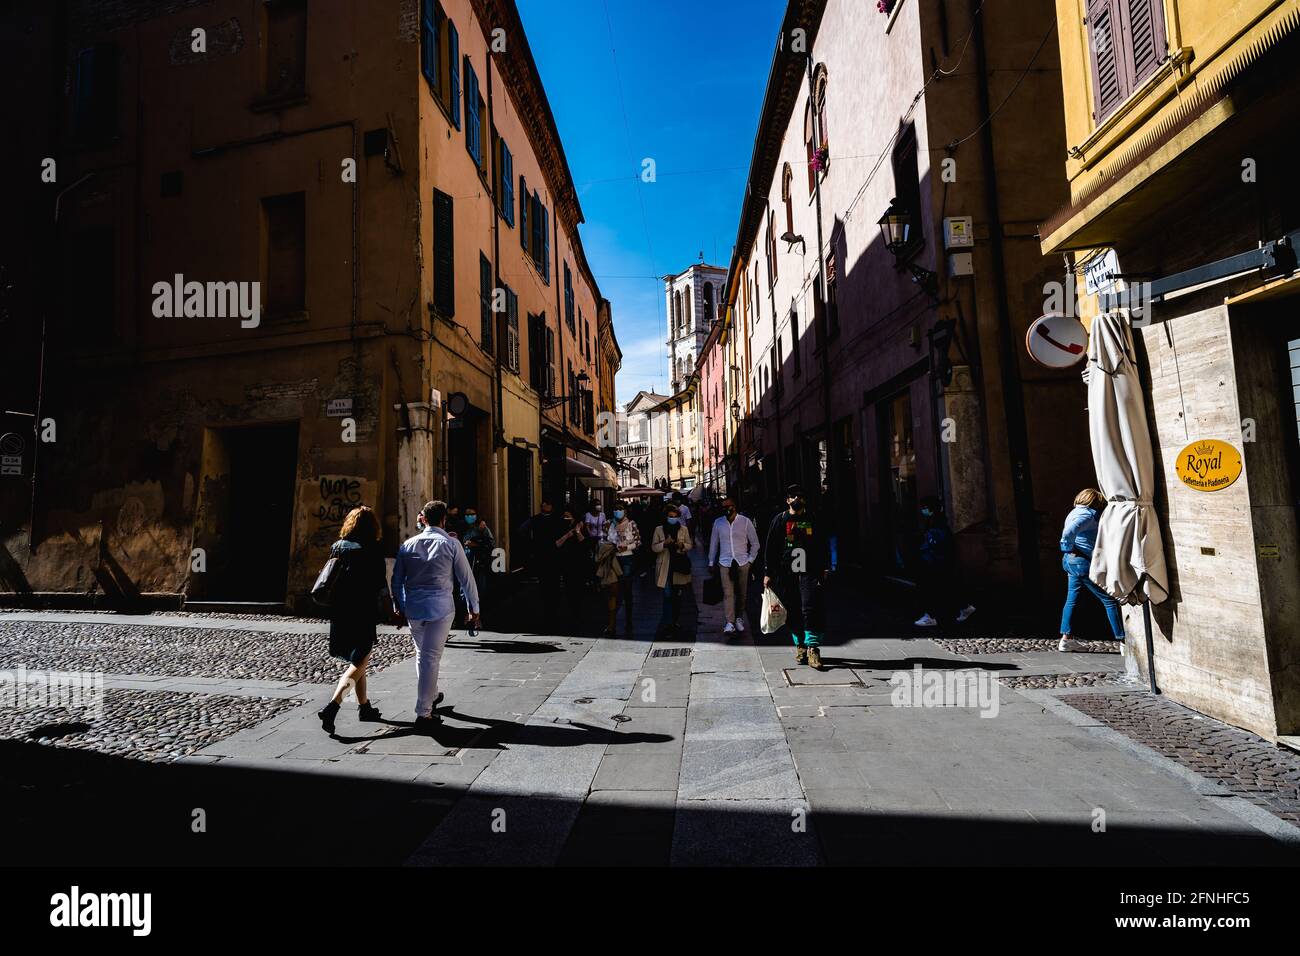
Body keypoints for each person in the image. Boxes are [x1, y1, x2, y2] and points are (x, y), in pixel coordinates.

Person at [391, 500, 480, 733]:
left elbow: (397, 579)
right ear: (443, 520)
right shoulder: (451, 544)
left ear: (424, 519)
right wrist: (474, 608)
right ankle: (424, 712)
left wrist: (398, 606)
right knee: (429, 657)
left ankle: (432, 695)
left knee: (424, 655)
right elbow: (466, 578)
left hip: (414, 607)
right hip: (440, 607)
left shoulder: (408, 545)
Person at [318, 506, 391, 734]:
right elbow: (380, 583)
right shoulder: (373, 548)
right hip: (363, 611)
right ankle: (333, 705)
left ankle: (364, 707)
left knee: (360, 660)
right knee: (359, 662)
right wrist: (391, 608)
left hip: (340, 611)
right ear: (372, 526)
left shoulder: (337, 547)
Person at [764, 484, 834, 670]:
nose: (797, 499)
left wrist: (825, 567)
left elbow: (822, 543)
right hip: (786, 573)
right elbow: (771, 548)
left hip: (810, 571)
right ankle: (800, 646)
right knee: (792, 609)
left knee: (811, 607)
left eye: (800, 496)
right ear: (787, 500)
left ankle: (813, 648)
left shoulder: (813, 518)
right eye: (793, 496)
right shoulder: (779, 521)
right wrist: (768, 573)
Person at [1058, 488, 1125, 650]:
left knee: (1072, 598)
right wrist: (1066, 547)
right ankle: (1123, 641)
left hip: (1071, 562)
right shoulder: (1087, 515)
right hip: (1081, 562)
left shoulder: (1074, 512)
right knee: (1109, 600)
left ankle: (1066, 638)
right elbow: (1068, 532)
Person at [913, 496, 977, 627]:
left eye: (924, 508)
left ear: (931, 509)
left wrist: (927, 558)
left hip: (936, 562)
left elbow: (935, 544)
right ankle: (964, 607)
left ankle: (930, 616)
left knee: (932, 589)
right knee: (946, 587)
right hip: (940, 562)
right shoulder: (937, 522)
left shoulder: (937, 524)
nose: (922, 510)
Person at [708, 495, 760, 634]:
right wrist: (711, 561)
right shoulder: (718, 523)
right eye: (724, 507)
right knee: (728, 593)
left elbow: (755, 543)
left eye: (729, 506)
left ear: (734, 506)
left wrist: (750, 561)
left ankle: (739, 618)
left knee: (742, 593)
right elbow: (714, 544)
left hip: (742, 562)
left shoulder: (745, 522)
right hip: (725, 563)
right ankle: (729, 622)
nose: (726, 509)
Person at [518, 500, 563, 630]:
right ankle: (551, 612)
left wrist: (531, 543)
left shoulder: (536, 519)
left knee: (548, 585)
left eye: (547, 504)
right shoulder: (555, 519)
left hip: (545, 555)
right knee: (550, 585)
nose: (546, 506)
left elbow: (521, 531)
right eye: (545, 504)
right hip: (548, 555)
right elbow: (521, 530)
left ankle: (550, 612)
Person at [652, 503, 694, 637]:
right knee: (667, 596)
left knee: (677, 597)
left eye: (675, 516)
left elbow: (689, 545)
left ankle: (675, 621)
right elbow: (653, 547)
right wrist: (664, 543)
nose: (673, 518)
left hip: (678, 566)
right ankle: (668, 623)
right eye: (671, 516)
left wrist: (682, 545)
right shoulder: (659, 530)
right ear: (666, 517)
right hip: (665, 566)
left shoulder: (683, 529)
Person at [604, 503, 642, 635]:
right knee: (612, 591)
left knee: (627, 590)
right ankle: (611, 623)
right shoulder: (608, 523)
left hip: (627, 558)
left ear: (625, 511)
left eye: (620, 509)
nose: (618, 511)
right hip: (612, 558)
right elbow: (602, 539)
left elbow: (637, 542)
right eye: (615, 509)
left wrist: (627, 547)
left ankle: (628, 620)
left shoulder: (632, 524)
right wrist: (611, 546)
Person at [555, 507, 591, 634]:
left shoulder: (580, 528)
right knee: (569, 589)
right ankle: (572, 612)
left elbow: (586, 544)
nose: (566, 518)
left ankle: (578, 612)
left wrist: (577, 532)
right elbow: (557, 544)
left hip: (579, 565)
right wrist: (567, 535)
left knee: (579, 590)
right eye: (564, 516)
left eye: (568, 516)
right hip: (566, 564)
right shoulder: (560, 528)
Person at [460, 506, 495, 626]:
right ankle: (467, 614)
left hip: (479, 563)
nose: (470, 516)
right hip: (464, 563)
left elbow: (490, 544)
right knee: (463, 590)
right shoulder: (460, 528)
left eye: (472, 514)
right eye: (467, 514)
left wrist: (476, 544)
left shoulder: (482, 527)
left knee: (480, 589)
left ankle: (477, 616)